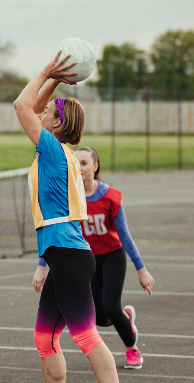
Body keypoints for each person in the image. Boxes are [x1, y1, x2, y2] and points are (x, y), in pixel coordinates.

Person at [13, 53, 139, 383]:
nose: (41, 111)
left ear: (55, 124)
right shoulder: (56, 151)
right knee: (44, 339)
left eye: (49, 111)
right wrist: (55, 85)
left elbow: (21, 106)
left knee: (85, 336)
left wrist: (49, 72)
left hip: (68, 256)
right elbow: (33, 106)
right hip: (62, 254)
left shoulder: (51, 149)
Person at [34, 147, 155, 369]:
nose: (79, 168)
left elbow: (125, 237)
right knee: (100, 317)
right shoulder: (68, 197)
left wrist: (142, 269)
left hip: (112, 255)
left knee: (110, 305)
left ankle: (132, 349)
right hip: (87, 259)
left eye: (84, 163)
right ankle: (126, 318)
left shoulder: (111, 197)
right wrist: (41, 266)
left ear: (95, 167)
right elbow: (54, 232)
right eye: (75, 163)